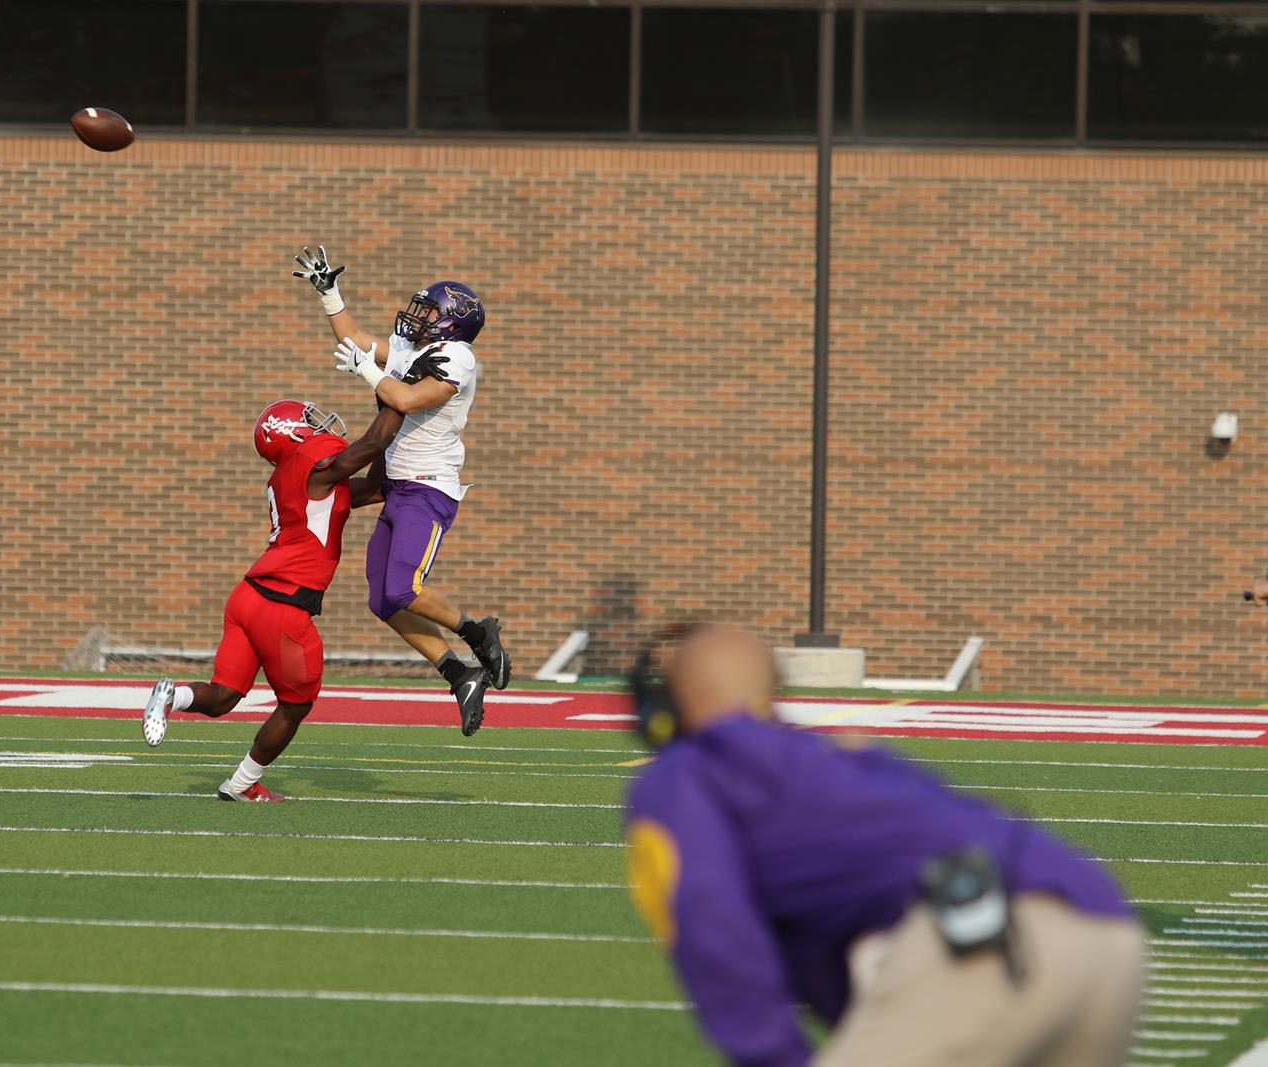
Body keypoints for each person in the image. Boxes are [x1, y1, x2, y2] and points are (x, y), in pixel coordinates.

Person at [625, 625, 1145, 1067]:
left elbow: (713, 924)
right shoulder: (839, 752)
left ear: (668, 707)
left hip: (983, 942)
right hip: (1107, 935)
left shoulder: (684, 774)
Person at [140, 382, 439, 801]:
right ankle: (241, 784)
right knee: (296, 704)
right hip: (282, 604)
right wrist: (401, 394)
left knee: (224, 695)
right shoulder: (310, 469)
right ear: (292, 434)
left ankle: (177, 695)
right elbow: (373, 442)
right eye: (309, 421)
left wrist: (400, 434)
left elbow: (374, 486)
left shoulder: (298, 480)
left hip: (248, 598)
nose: (318, 425)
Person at [291, 245, 510, 737]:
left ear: (452, 321)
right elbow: (357, 338)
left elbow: (407, 398)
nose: (420, 316)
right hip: (396, 484)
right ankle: (460, 674)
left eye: (430, 310)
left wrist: (370, 373)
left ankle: (478, 633)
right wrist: (329, 295)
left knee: (403, 587)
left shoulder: (458, 357)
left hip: (428, 487)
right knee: (384, 601)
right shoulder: (418, 348)